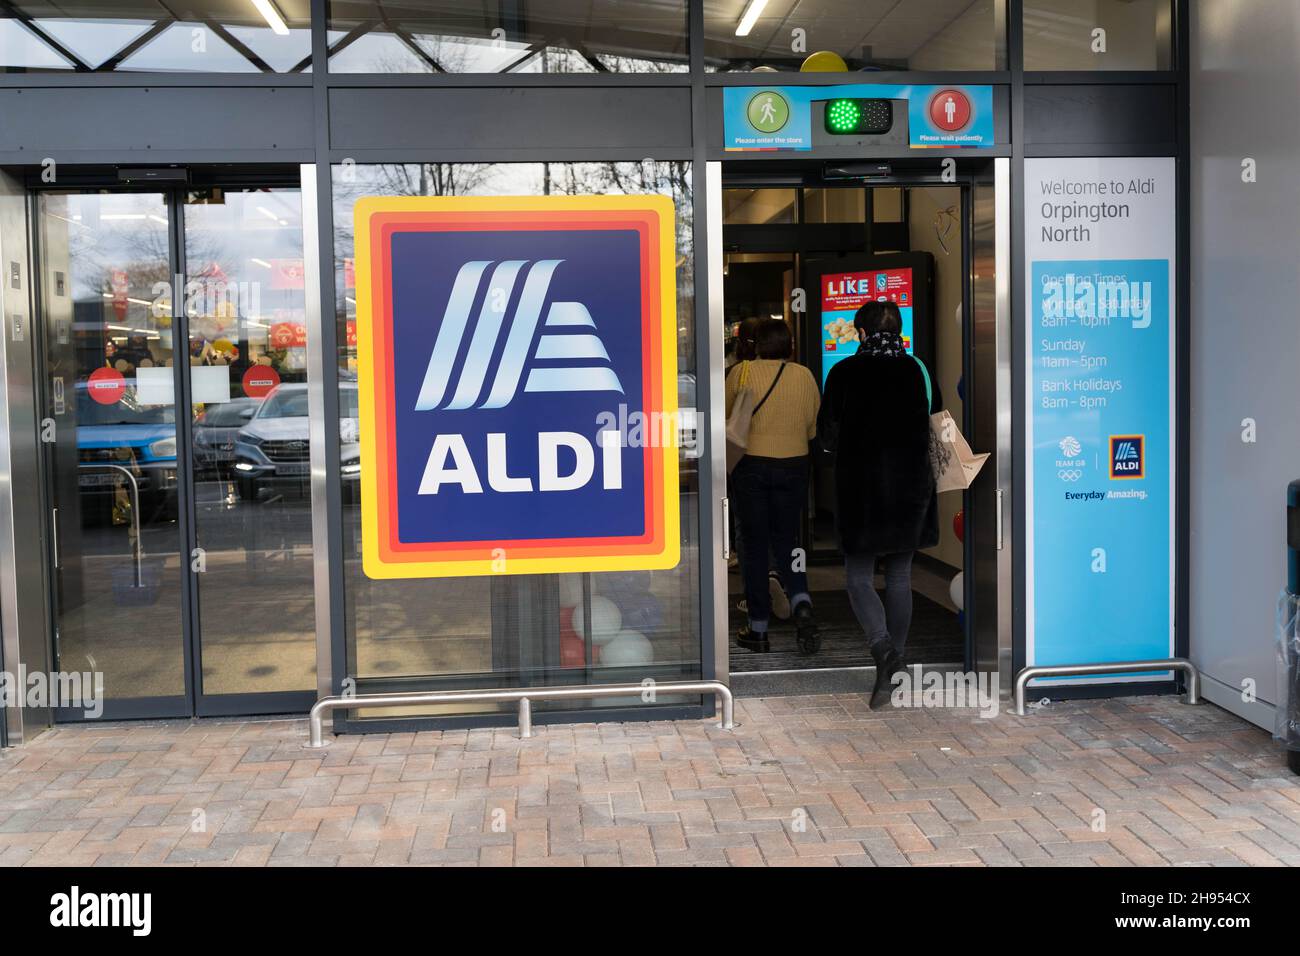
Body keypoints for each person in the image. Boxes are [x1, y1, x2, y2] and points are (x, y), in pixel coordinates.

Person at [818, 301, 941, 709]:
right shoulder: (917, 370)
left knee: (858, 576)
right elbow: (935, 420)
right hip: (911, 487)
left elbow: (828, 436)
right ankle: (896, 662)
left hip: (862, 488)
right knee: (901, 576)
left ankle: (884, 650)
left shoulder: (843, 372)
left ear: (860, 332)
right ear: (899, 329)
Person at [726, 318, 820, 654]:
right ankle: (801, 602)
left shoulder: (742, 373)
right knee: (788, 541)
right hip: (795, 464)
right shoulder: (805, 375)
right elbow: (812, 426)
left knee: (753, 546)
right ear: (788, 345)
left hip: (751, 464)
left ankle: (759, 628)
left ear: (754, 345)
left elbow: (727, 420)